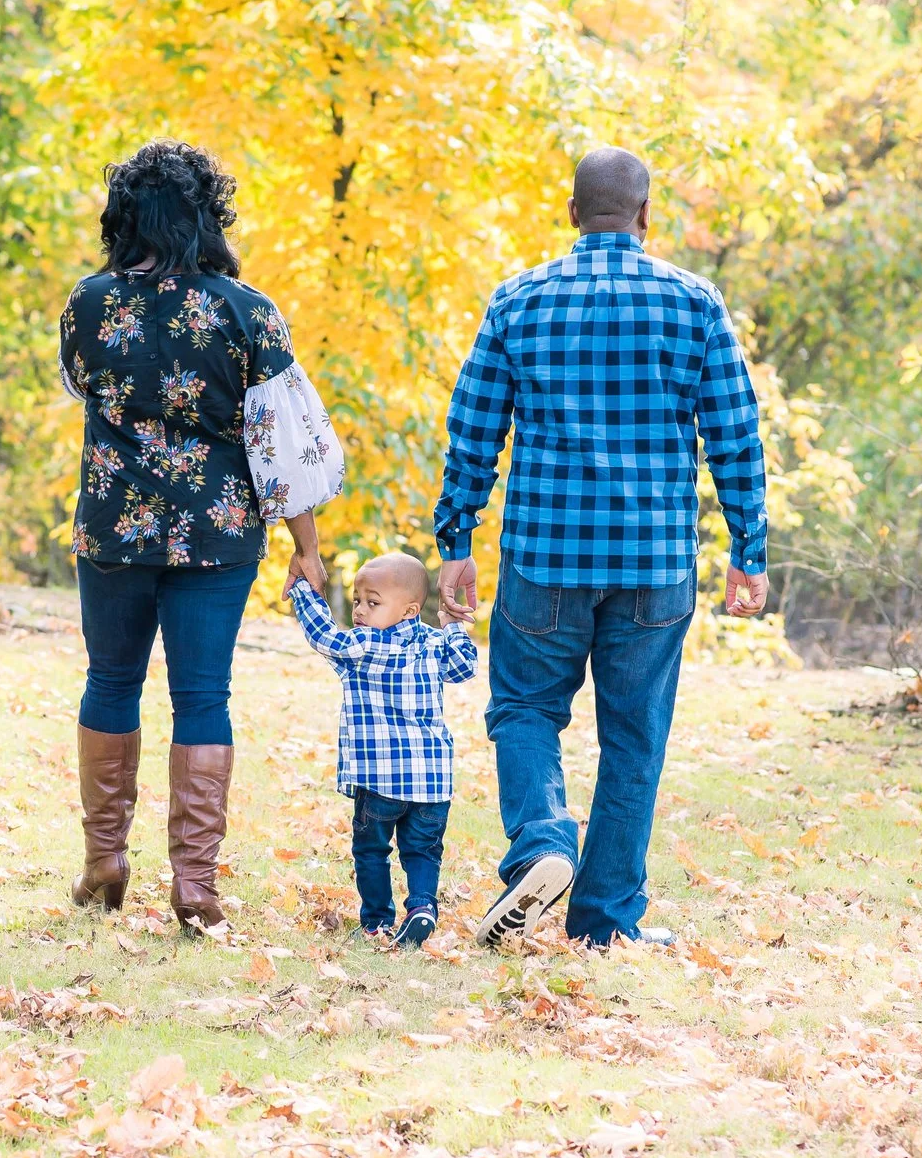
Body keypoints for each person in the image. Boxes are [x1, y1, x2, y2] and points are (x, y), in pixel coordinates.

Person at [434, 147, 767, 949]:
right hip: (654, 564)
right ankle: (605, 921)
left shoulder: (519, 300)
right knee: (634, 737)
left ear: (573, 212)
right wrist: (748, 547)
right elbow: (735, 434)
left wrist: (457, 537)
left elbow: (474, 429)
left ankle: (543, 842)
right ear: (645, 214)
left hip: (543, 559)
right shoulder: (694, 303)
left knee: (524, 709)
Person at [58, 140, 343, 930]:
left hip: (114, 528)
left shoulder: (87, 303)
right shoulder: (249, 312)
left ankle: (104, 861)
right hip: (218, 535)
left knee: (110, 680)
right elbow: (280, 444)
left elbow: (80, 383)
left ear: (124, 218)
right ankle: (194, 886)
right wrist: (307, 547)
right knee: (203, 696)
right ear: (207, 216)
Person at [286, 553, 479, 949]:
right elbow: (465, 666)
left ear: (409, 610)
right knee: (423, 851)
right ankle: (422, 907)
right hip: (432, 783)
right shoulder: (434, 643)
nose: (359, 610)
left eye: (372, 603)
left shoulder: (365, 644)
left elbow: (325, 637)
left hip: (379, 782)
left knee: (371, 851)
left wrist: (304, 591)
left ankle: (376, 922)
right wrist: (452, 624)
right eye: (357, 600)